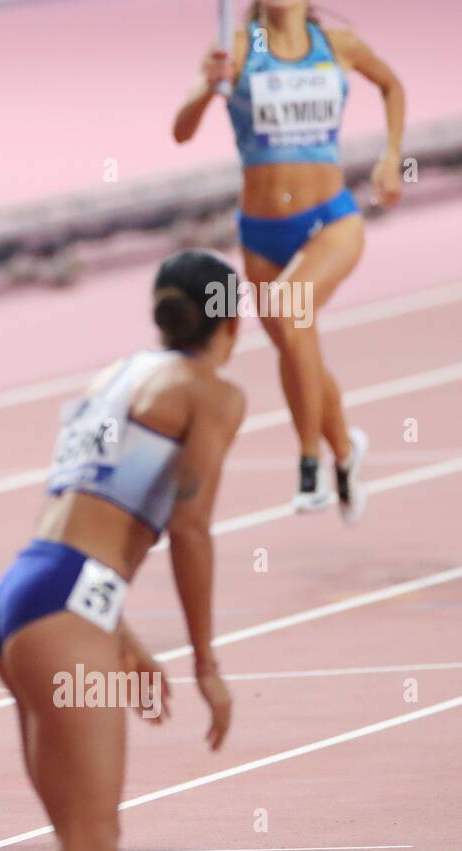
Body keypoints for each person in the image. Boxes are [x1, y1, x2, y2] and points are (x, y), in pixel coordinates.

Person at [0, 250, 245, 851]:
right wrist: (205, 663)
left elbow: (78, 517)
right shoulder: (211, 393)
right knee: (94, 844)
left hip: (27, 595)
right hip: (68, 614)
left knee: (76, 845)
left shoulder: (110, 377)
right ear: (232, 324)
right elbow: (190, 530)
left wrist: (120, 637)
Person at [173, 0, 404, 521]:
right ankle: (345, 452)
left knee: (290, 316)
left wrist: (391, 158)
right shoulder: (238, 50)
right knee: (299, 348)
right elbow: (180, 130)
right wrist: (210, 90)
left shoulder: (335, 47)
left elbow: (392, 85)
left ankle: (308, 465)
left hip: (330, 220)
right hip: (260, 235)